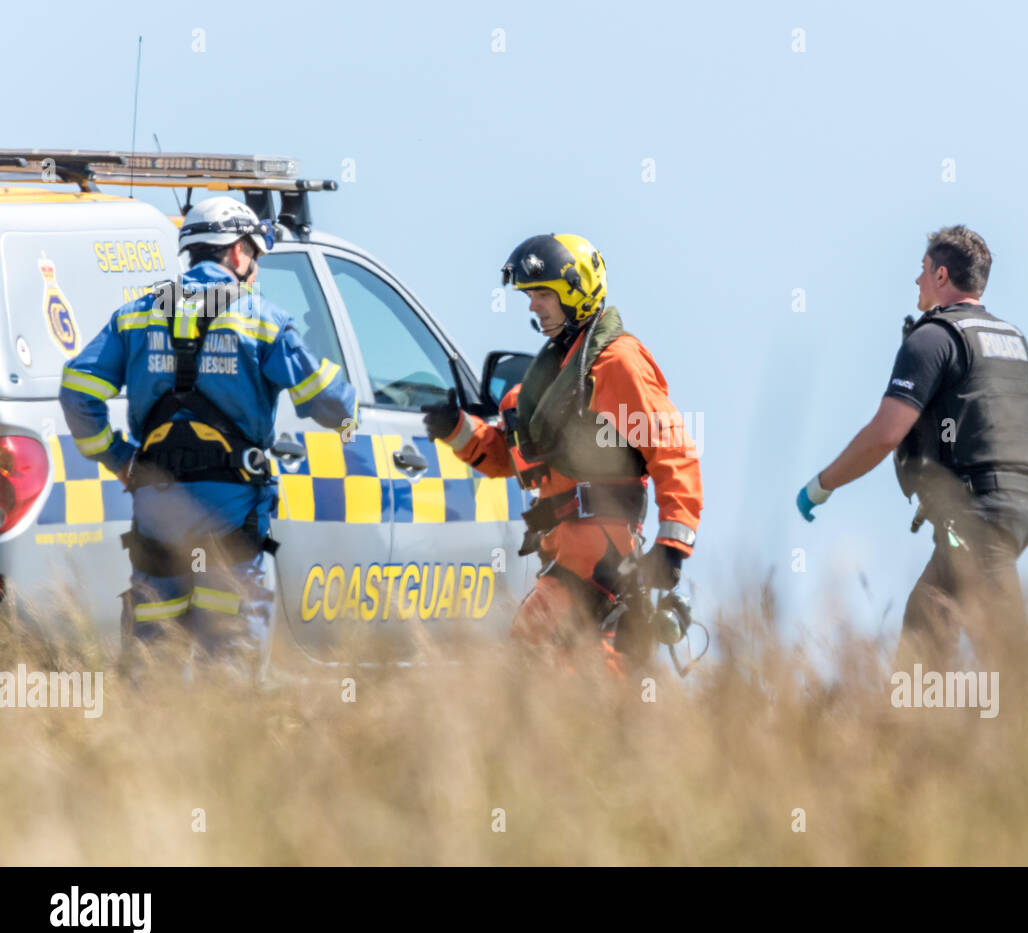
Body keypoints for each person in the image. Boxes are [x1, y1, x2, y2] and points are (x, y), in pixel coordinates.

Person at [59, 196, 357, 681]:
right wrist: (349, 418)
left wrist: (119, 461)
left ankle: (146, 749)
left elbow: (77, 393)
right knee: (233, 657)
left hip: (156, 511)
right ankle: (227, 748)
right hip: (233, 516)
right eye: (255, 256)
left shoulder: (136, 315)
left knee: (152, 657)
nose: (255, 269)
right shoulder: (262, 319)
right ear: (238, 251)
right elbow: (333, 404)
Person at [423, 233, 702, 674]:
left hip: (600, 564)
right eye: (529, 295)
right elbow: (508, 458)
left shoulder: (616, 364)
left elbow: (673, 448)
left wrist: (672, 546)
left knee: (554, 678)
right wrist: (457, 428)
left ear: (574, 291)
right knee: (549, 684)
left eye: (541, 294)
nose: (533, 305)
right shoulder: (554, 374)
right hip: (566, 560)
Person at [796, 225, 1028, 707]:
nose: (915, 282)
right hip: (1020, 507)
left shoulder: (933, 337)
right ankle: (932, 750)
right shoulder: (1013, 340)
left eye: (921, 270)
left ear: (940, 274)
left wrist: (821, 485)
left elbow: (885, 433)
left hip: (974, 515)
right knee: (927, 625)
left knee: (1007, 654)